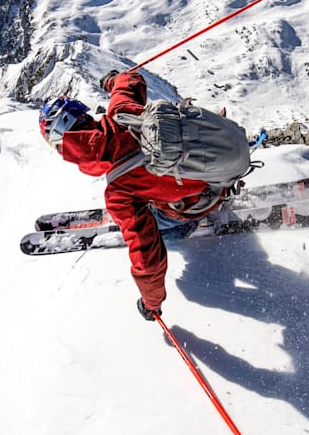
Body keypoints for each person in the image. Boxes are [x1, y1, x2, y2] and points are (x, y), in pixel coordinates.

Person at [39, 70, 230, 321]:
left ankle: (189, 224)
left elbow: (148, 255)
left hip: (203, 196)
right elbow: (130, 81)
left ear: (67, 147)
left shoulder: (120, 192)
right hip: (218, 155)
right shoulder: (120, 113)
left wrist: (152, 304)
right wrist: (110, 81)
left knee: (155, 226)